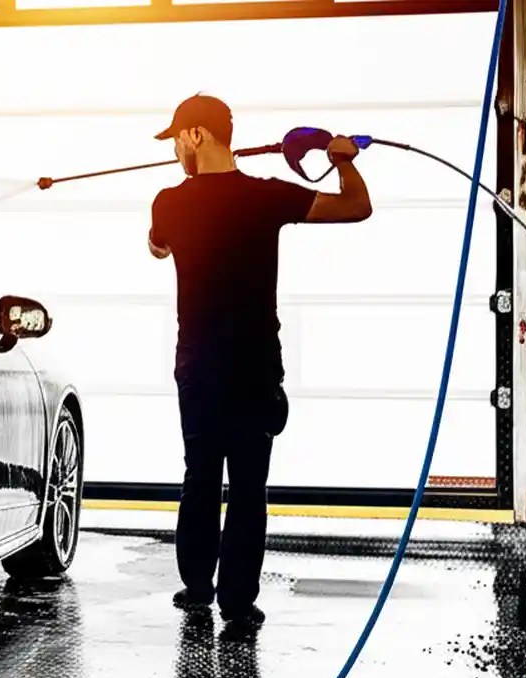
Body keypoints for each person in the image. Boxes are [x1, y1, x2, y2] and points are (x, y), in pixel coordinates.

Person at [148, 94, 372, 626]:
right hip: (253, 367)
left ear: (197, 136)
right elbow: (355, 206)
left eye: (178, 138)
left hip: (199, 367)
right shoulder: (267, 197)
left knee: (200, 475)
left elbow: (156, 248)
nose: (177, 149)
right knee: (248, 484)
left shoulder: (167, 203)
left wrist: (167, 236)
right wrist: (341, 160)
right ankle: (239, 604)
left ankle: (197, 588)